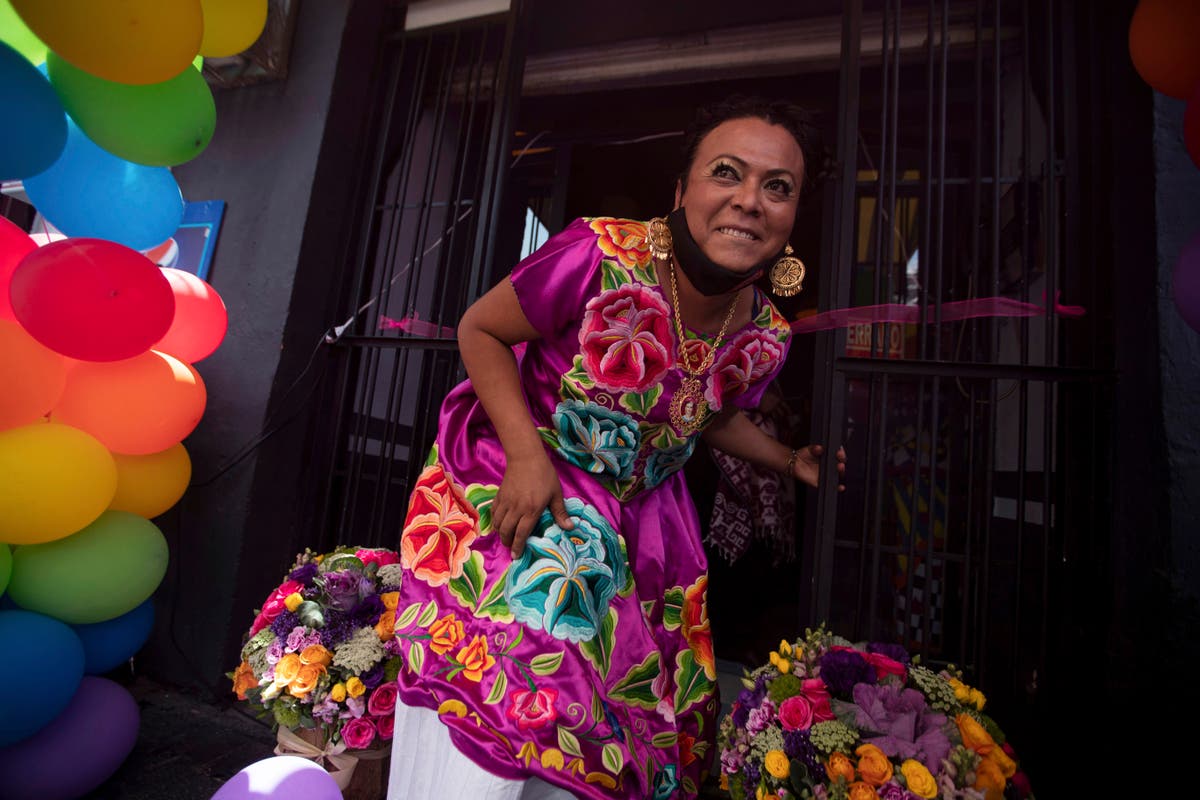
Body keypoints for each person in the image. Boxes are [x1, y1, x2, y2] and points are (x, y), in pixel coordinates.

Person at [386, 95, 846, 799]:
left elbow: (707, 414)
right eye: (727, 173)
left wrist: (788, 460)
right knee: (525, 684)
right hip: (526, 479)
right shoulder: (599, 254)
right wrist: (527, 457)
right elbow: (481, 329)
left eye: (777, 187)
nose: (750, 201)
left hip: (648, 529)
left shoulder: (767, 340)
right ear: (681, 193)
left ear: (792, 217)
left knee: (638, 721)